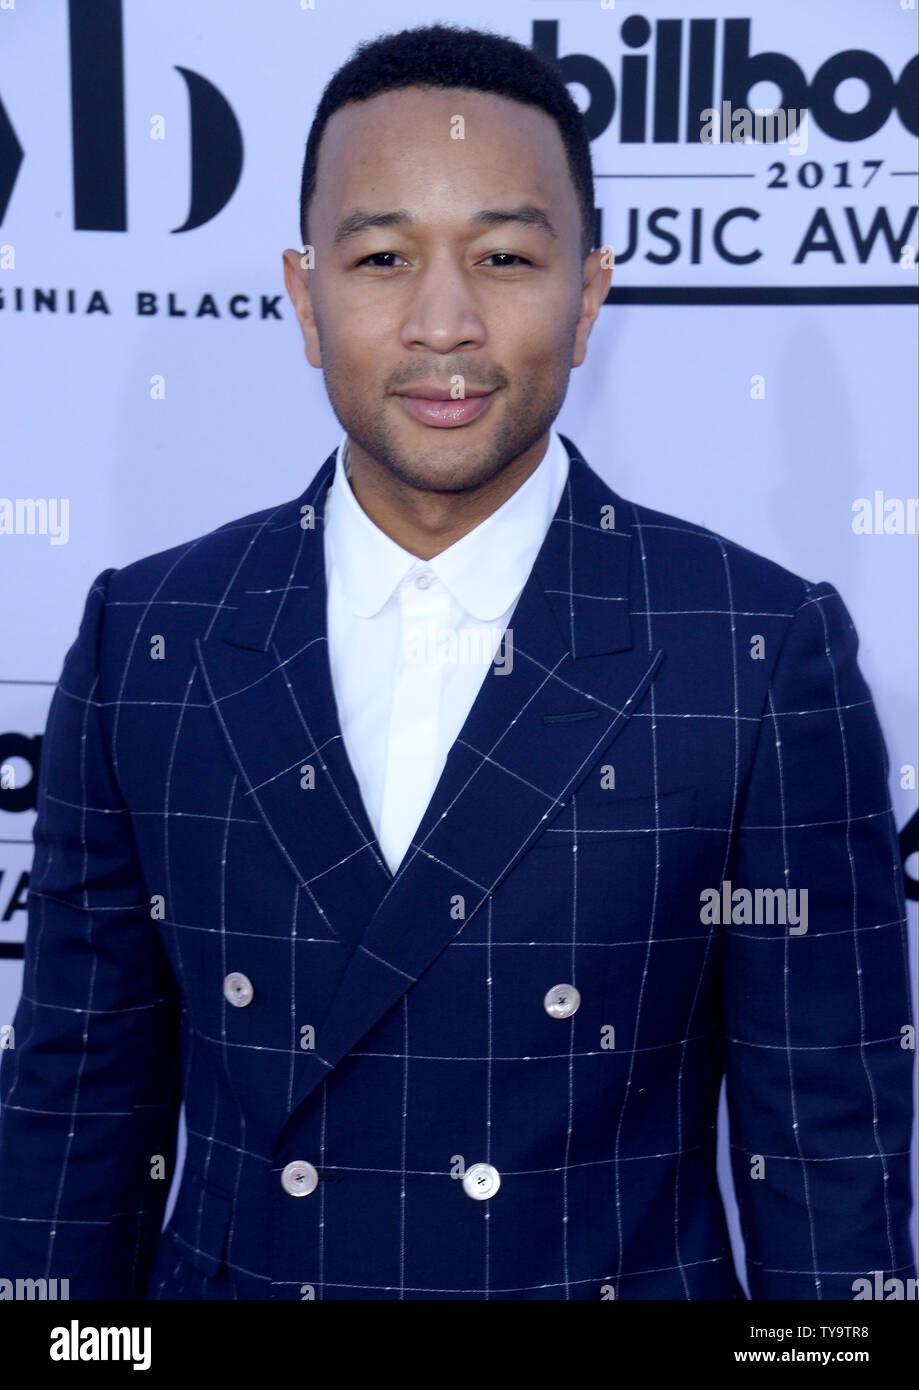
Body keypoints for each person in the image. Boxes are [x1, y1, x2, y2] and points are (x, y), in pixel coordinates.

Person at [0, 22, 913, 1301]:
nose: (444, 322)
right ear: (304, 294)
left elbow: (828, 1140)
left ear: (587, 296)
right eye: (381, 257)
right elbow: (78, 1115)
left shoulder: (753, 649)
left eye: (502, 256)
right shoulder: (150, 634)